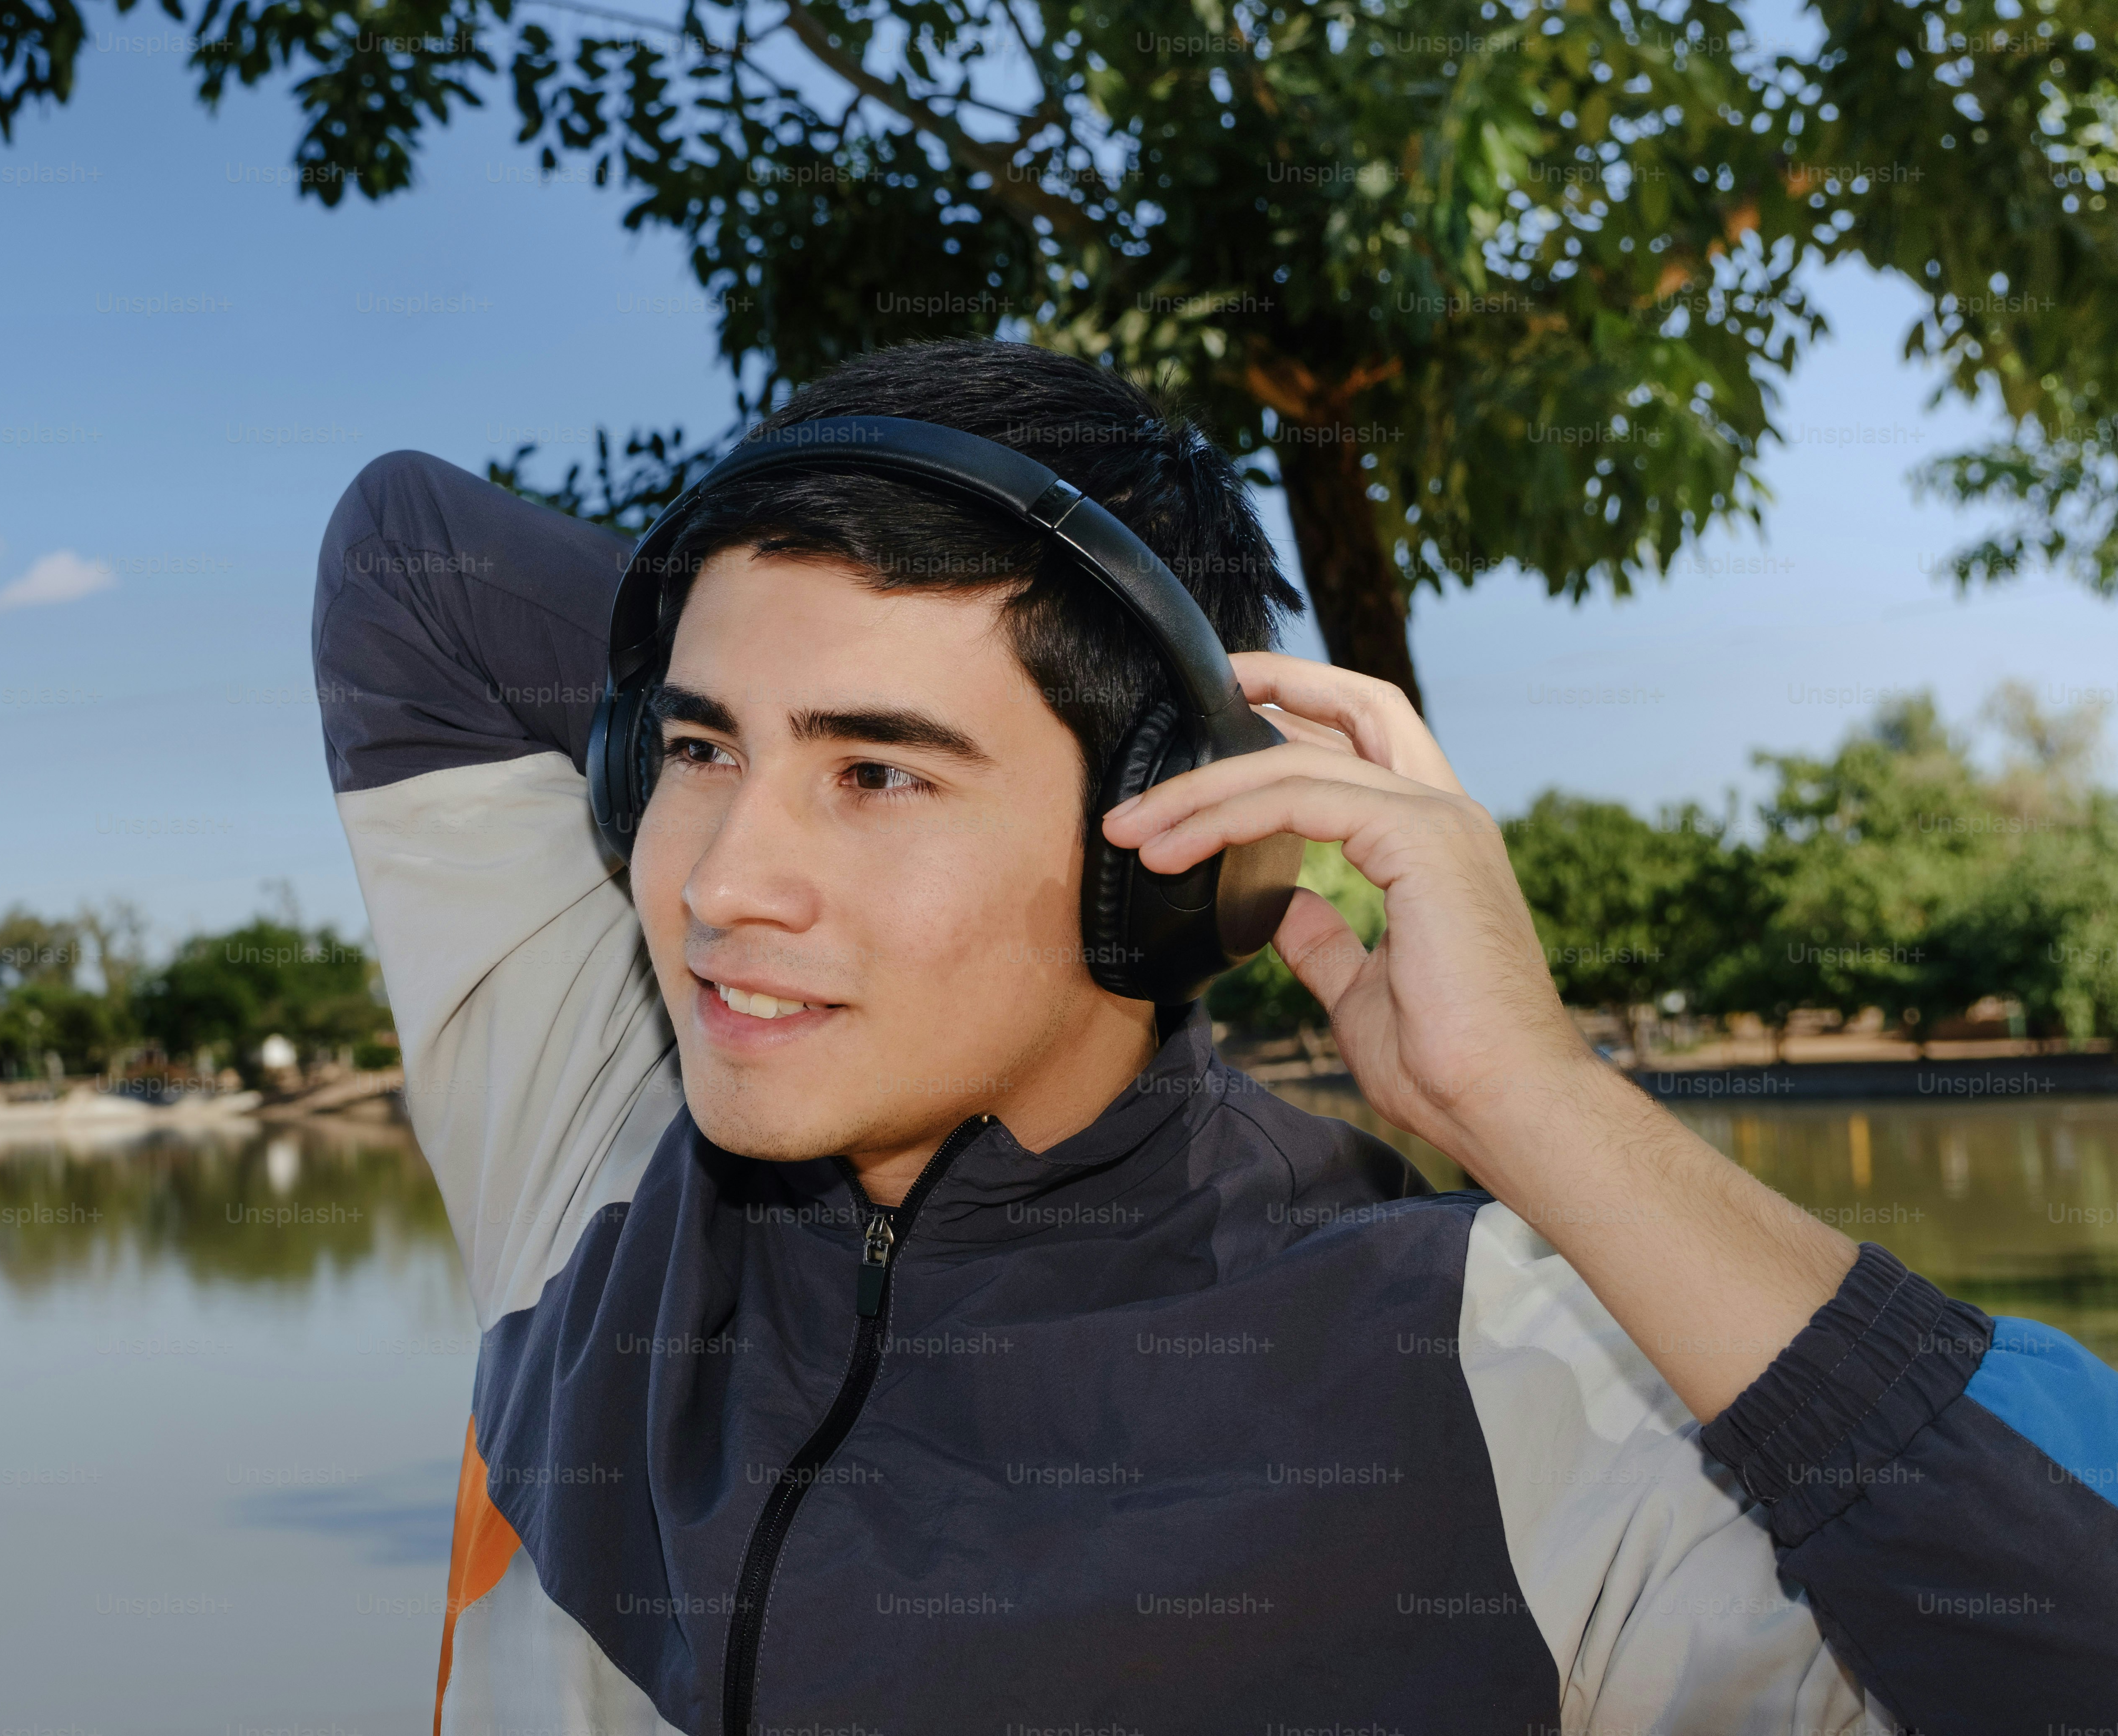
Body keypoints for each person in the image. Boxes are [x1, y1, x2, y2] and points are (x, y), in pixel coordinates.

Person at [311, 340, 2116, 1736]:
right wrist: (800, 593)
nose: (721, 885)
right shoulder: (607, 1147)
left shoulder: (1498, 1362)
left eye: (875, 772)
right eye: (698, 750)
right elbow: (411, 561)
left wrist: (1536, 1103)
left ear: (1169, 838)